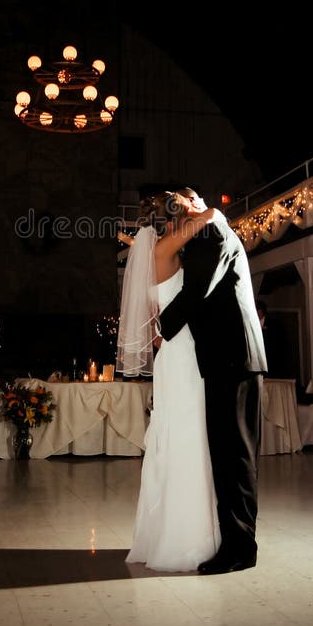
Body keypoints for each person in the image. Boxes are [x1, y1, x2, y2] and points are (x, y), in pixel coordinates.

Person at [159, 187, 268, 574]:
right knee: (232, 455)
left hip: (231, 357)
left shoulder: (211, 231)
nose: (175, 216)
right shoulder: (212, 230)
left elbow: (197, 289)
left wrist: (159, 328)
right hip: (232, 357)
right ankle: (239, 544)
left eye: (178, 205)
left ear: (194, 202)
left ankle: (239, 550)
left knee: (233, 456)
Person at [118, 191, 221, 572]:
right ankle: (184, 539)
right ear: (174, 217)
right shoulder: (165, 247)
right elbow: (210, 214)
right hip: (182, 357)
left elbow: (156, 314)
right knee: (188, 439)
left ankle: (172, 532)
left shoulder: (156, 253)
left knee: (183, 437)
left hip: (175, 352)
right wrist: (196, 205)